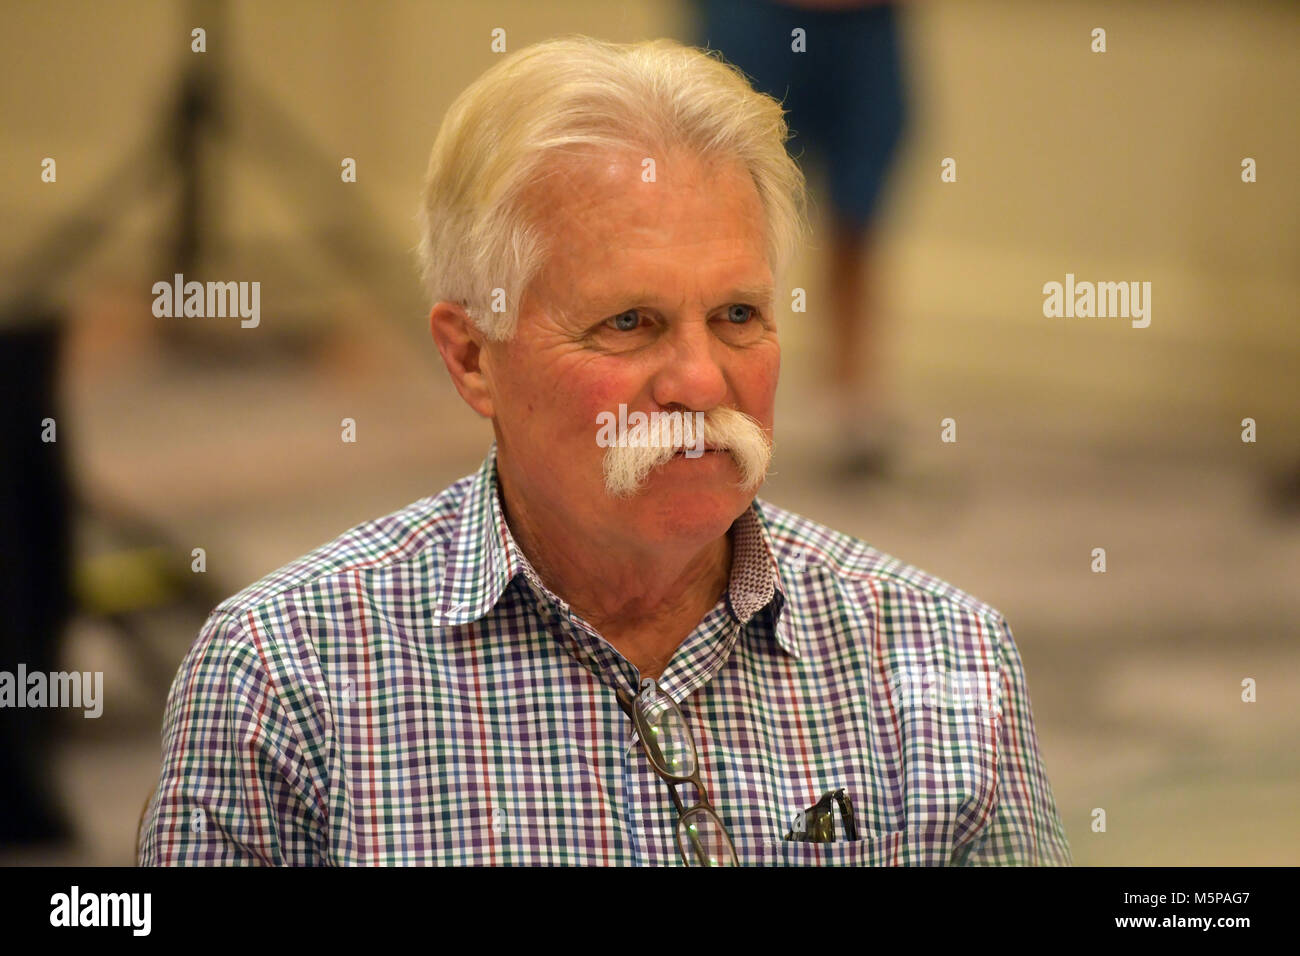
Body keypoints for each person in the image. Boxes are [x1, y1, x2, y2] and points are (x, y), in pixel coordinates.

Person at [138, 35, 1070, 866]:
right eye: (631, 323)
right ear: (472, 358)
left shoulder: (942, 662)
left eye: (738, 315)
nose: (701, 382)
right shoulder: (286, 677)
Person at [691, 0, 909, 474]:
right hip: (752, 15)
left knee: (860, 214)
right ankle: (706, 390)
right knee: (716, 205)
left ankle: (854, 401)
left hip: (868, 22)